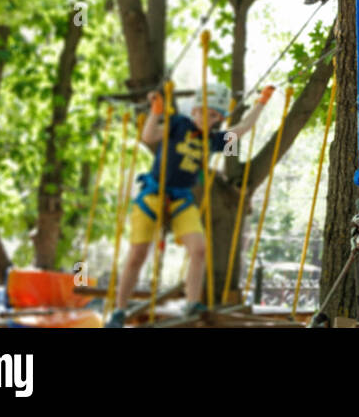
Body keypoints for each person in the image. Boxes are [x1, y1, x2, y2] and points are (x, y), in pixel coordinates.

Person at [105, 83, 271, 326]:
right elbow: (148, 136)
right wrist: (156, 111)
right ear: (194, 110)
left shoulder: (214, 141)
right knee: (137, 254)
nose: (208, 118)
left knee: (199, 248)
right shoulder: (178, 124)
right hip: (154, 193)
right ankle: (119, 310)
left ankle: (191, 303)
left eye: (214, 115)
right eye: (204, 111)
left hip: (182, 198)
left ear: (219, 119)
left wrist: (262, 103)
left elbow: (243, 127)